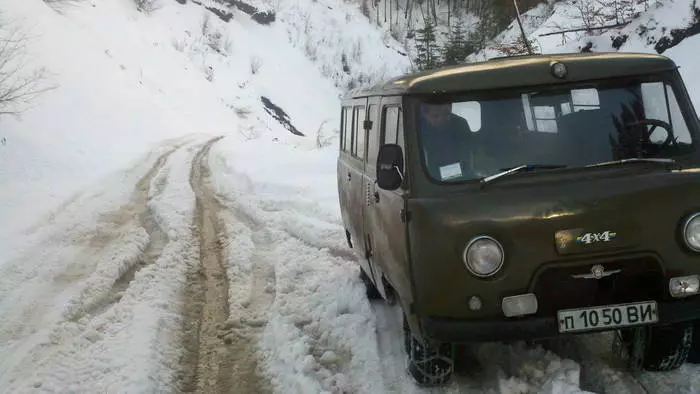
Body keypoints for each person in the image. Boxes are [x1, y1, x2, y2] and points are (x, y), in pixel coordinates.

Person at [419, 102, 474, 181]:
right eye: (436, 116)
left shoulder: (460, 125)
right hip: (430, 179)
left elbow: (469, 155)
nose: (442, 119)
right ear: (424, 115)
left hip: (462, 173)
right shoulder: (417, 130)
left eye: (447, 114)